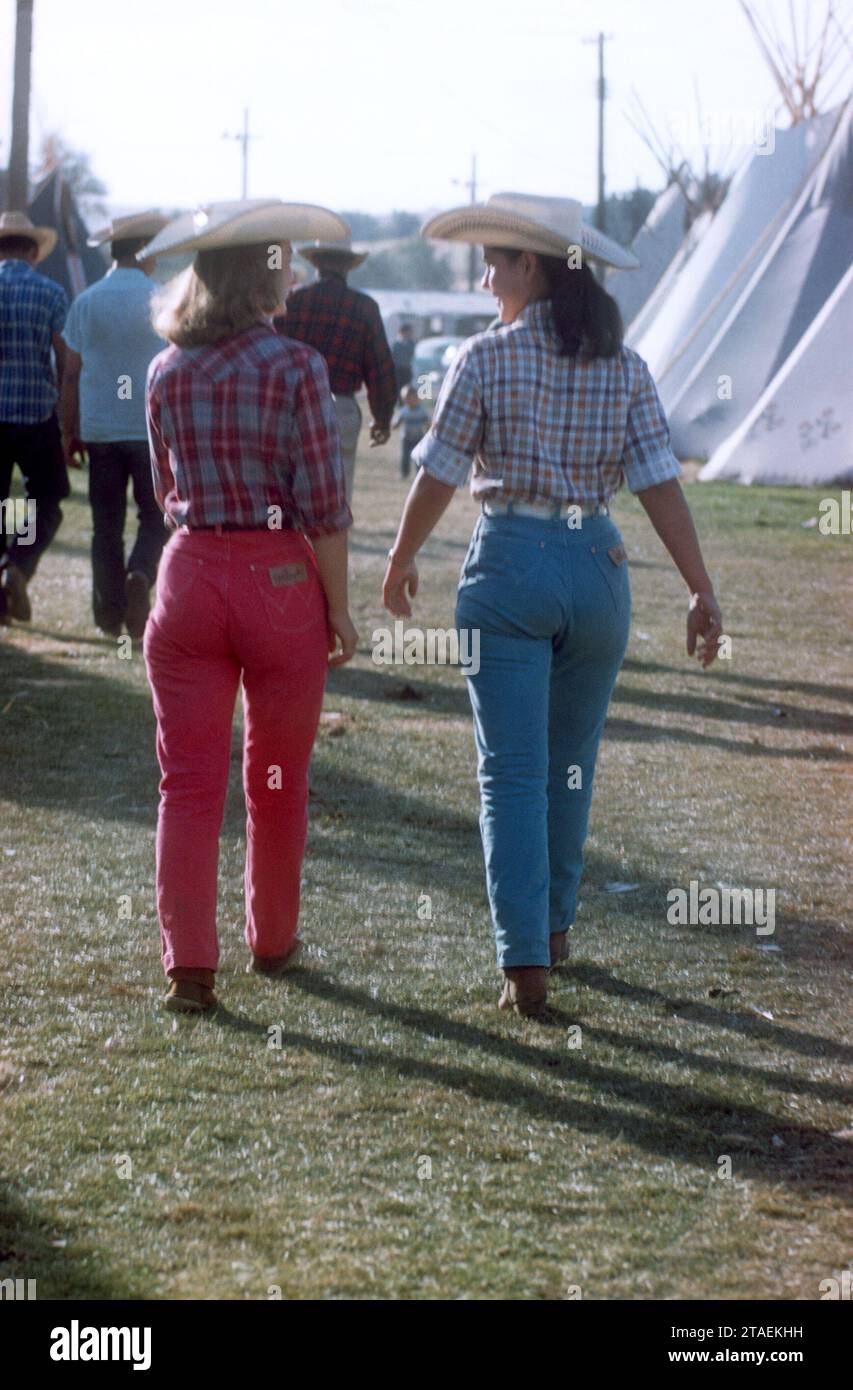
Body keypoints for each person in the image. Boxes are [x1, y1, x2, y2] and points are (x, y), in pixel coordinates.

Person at [382, 192, 724, 1019]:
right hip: (596, 569)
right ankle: (556, 929)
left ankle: (524, 962)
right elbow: (657, 483)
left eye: (496, 261)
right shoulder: (626, 366)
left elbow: (435, 470)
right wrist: (697, 585)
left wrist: (400, 558)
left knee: (510, 773)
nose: (488, 276)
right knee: (570, 765)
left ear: (532, 266)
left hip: (509, 565)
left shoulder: (484, 357)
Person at [137, 199, 357, 1014]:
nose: (294, 269)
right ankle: (272, 941)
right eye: (285, 259)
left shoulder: (164, 370)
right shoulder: (298, 367)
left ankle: (189, 966)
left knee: (186, 784)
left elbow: (166, 491)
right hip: (278, 583)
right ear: (263, 272)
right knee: (276, 777)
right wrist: (339, 610)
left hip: (190, 571)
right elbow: (324, 505)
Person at [59, 211, 170, 638]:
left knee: (105, 524)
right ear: (146, 255)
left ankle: (109, 616)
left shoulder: (87, 301)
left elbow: (71, 373)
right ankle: (140, 573)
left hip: (100, 431)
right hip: (149, 431)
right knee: (154, 515)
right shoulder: (161, 300)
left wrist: (67, 431)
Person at [276, 237, 396, 504]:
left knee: (287, 494)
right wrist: (382, 418)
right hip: (339, 409)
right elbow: (379, 366)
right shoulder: (364, 307)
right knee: (334, 502)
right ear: (348, 267)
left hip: (290, 407)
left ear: (316, 263)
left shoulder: (292, 301)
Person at [0, 212, 70, 625]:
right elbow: (66, 360)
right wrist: (66, 418)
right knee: (45, 500)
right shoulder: (51, 292)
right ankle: (19, 563)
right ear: (30, 251)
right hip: (35, 414)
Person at [392, 384, 429, 480]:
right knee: (405, 457)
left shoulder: (422, 411)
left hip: (418, 438)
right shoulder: (403, 411)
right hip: (406, 438)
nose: (409, 400)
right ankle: (404, 473)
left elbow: (427, 422)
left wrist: (429, 430)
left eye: (412, 397)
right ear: (404, 400)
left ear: (417, 398)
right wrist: (394, 425)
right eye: (407, 398)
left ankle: (419, 474)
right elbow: (397, 422)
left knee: (419, 458)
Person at [391, 321, 415, 394]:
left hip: (407, 369)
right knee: (398, 388)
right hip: (398, 370)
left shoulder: (411, 343)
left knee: (407, 387)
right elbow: (393, 355)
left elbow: (412, 353)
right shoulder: (396, 343)